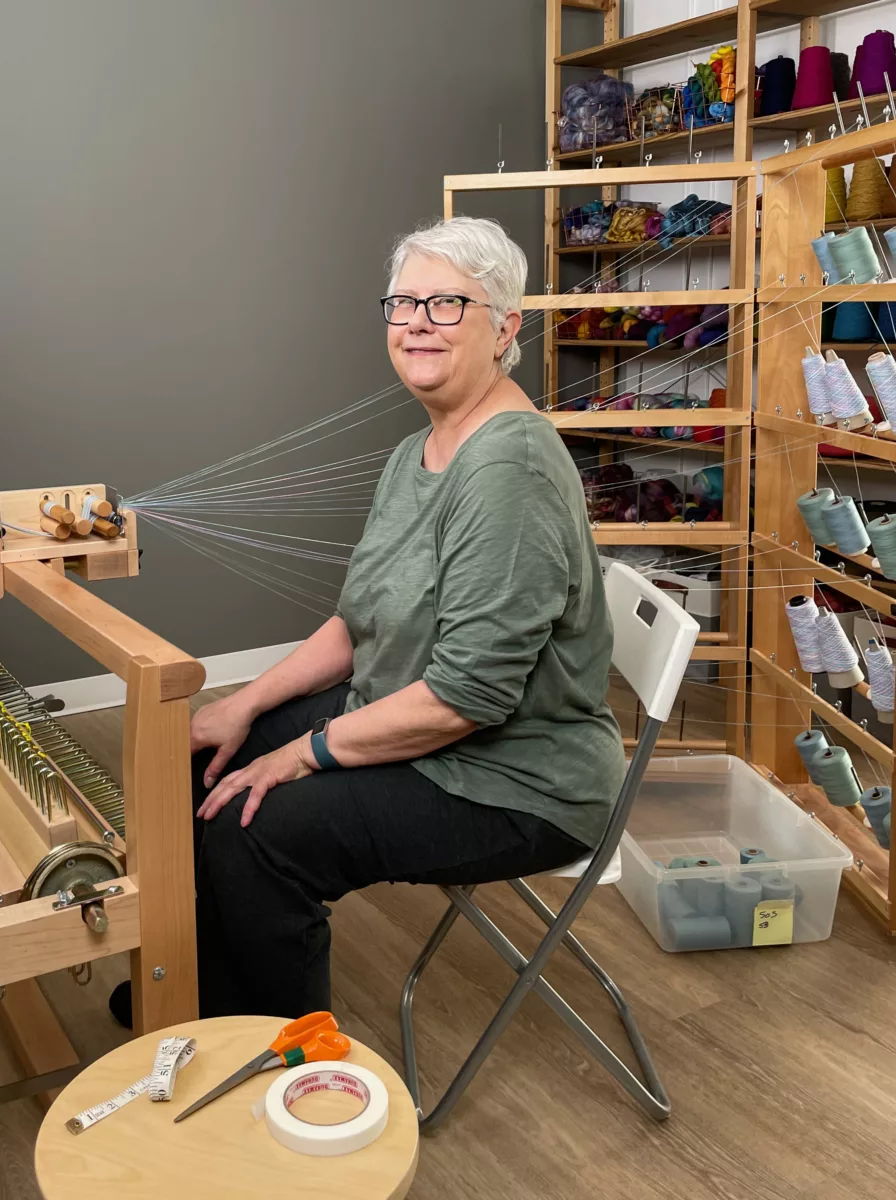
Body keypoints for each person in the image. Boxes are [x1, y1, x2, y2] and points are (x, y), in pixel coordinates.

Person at [188, 216, 623, 1019]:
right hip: (419, 721)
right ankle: (211, 1000)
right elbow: (358, 623)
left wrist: (307, 755)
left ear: (505, 329)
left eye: (448, 303)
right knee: (211, 762)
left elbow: (466, 700)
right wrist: (245, 704)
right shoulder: (418, 449)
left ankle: (282, 1077)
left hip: (516, 777)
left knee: (258, 830)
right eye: (402, 303)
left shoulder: (508, 471)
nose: (417, 320)